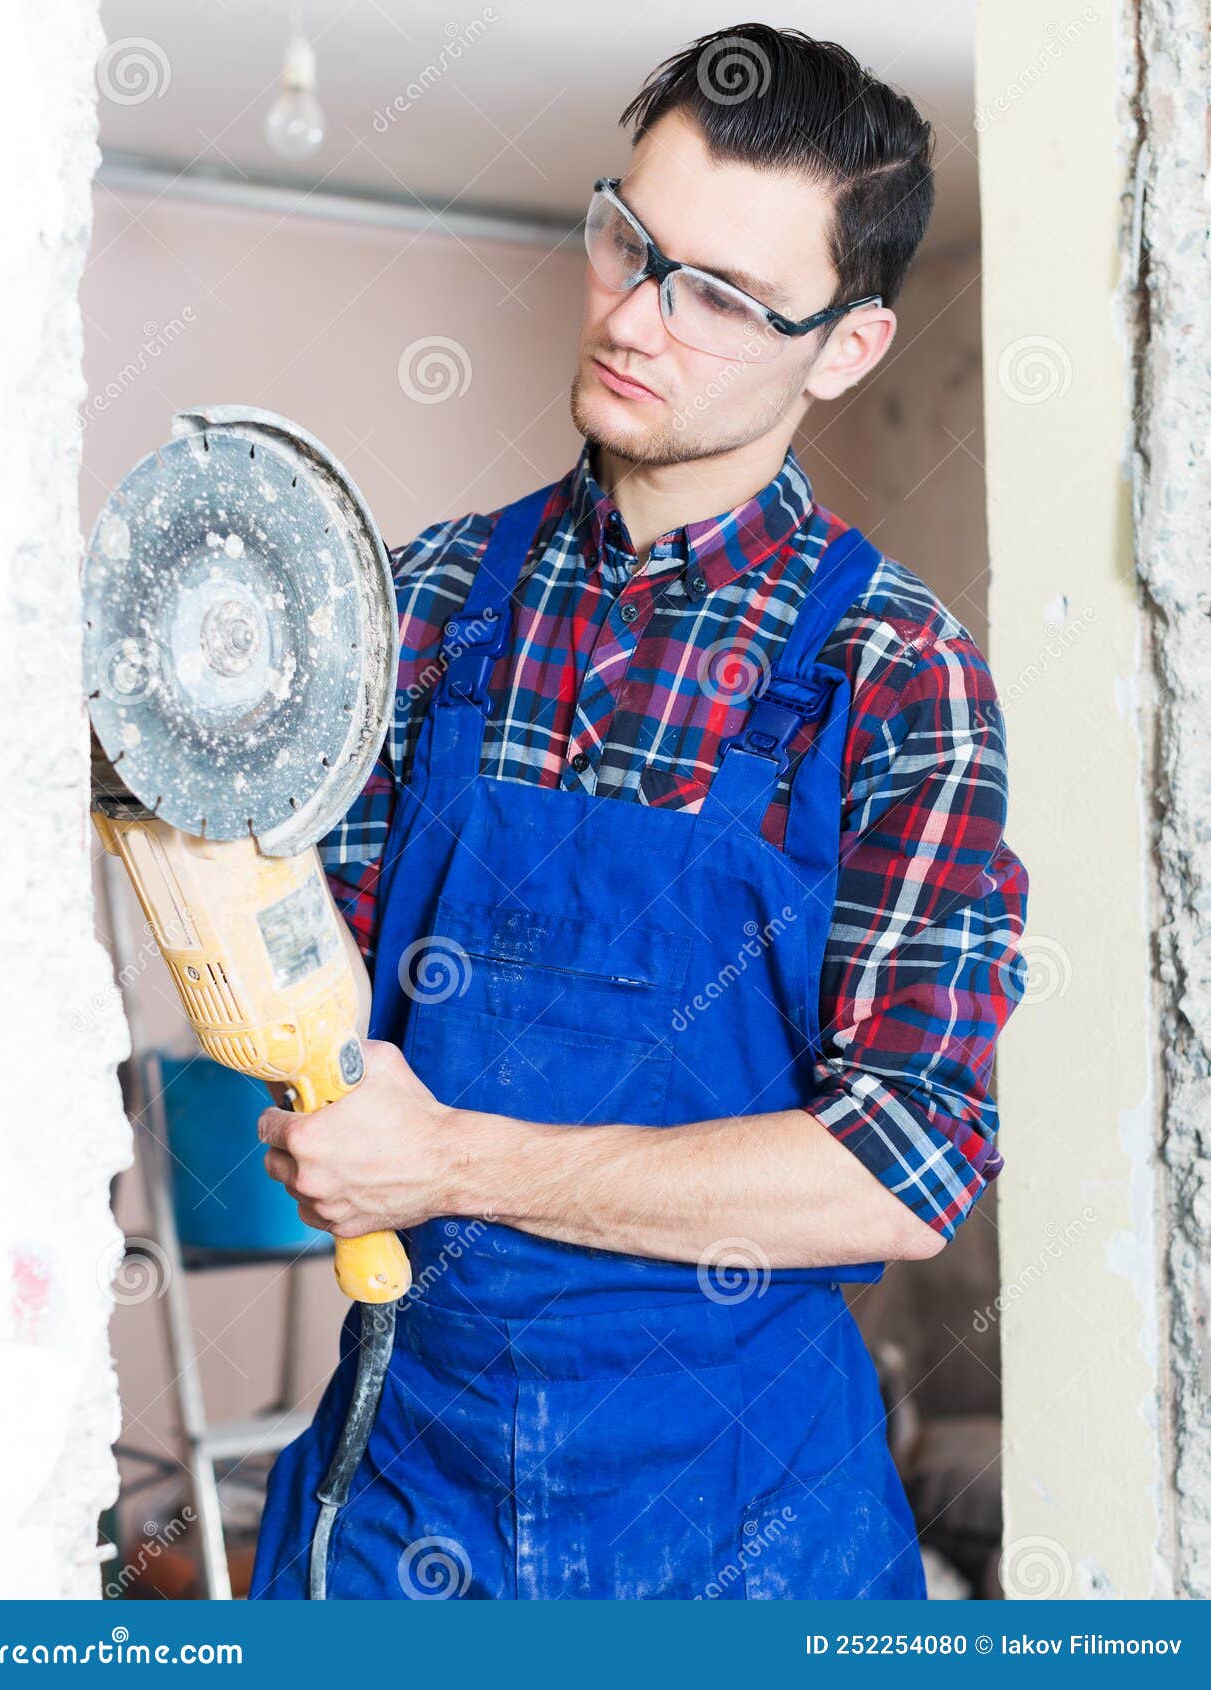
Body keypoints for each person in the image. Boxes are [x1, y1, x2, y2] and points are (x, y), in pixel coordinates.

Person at [251, 22, 1028, 1601]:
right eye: (631, 243)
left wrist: (456, 1159)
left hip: (744, 1535)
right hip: (413, 1499)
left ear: (851, 347)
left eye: (726, 296)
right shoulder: (424, 603)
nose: (639, 319)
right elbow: (312, 1010)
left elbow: (899, 1163)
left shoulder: (895, 679)